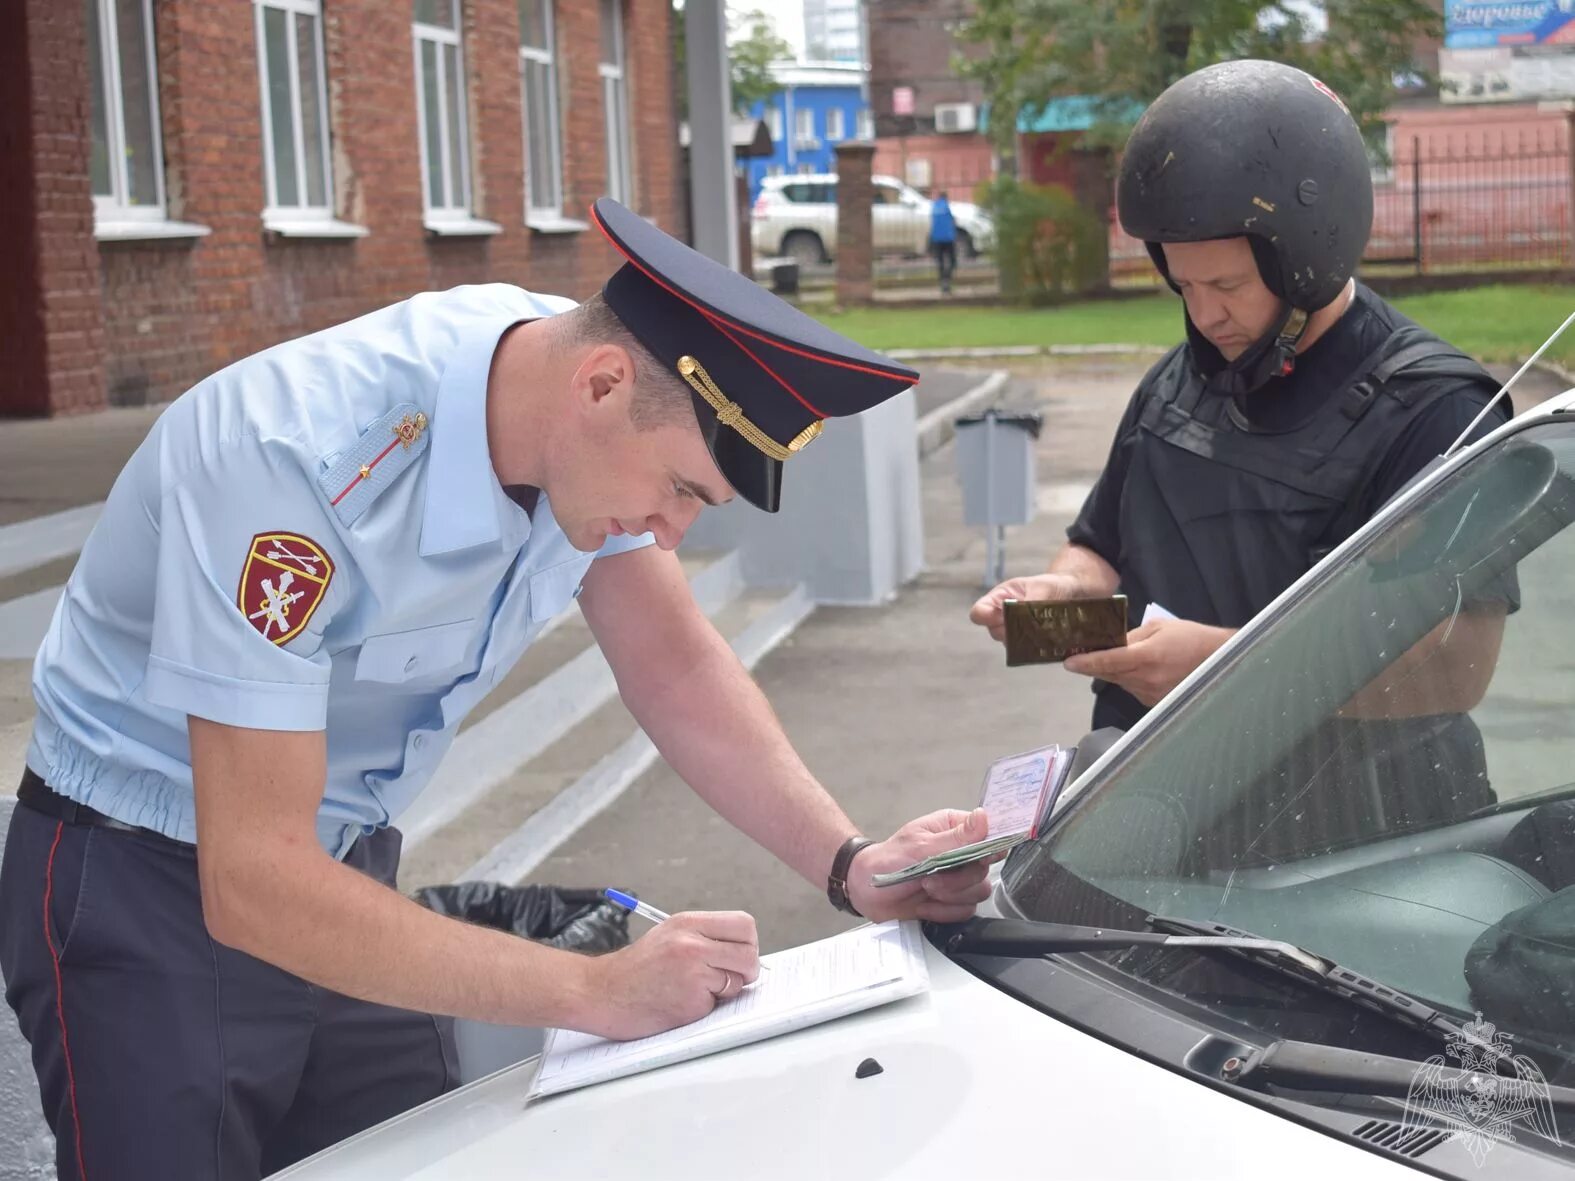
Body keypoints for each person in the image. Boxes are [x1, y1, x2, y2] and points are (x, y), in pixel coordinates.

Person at [0, 197, 993, 1179]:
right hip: (144, 887)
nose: (673, 531)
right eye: (684, 488)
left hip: (341, 865)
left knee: (414, 1153)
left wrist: (850, 863)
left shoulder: (567, 403)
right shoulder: (296, 466)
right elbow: (253, 879)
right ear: (602, 386)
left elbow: (677, 664)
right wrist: (597, 988)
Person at [969, 61, 1513, 814]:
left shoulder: (1435, 409)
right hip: (1161, 804)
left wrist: (1218, 670)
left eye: (1225, 287)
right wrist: (1062, 591)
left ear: (1306, 256)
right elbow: (1100, 541)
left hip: (1352, 834)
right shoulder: (1177, 380)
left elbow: (1457, 667)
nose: (1203, 317)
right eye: (1183, 287)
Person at [929, 189, 957, 295]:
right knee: (952, 261)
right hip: (948, 239)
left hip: (937, 239)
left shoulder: (934, 207)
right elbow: (952, 221)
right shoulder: (946, 206)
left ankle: (942, 282)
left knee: (940, 262)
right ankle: (947, 279)